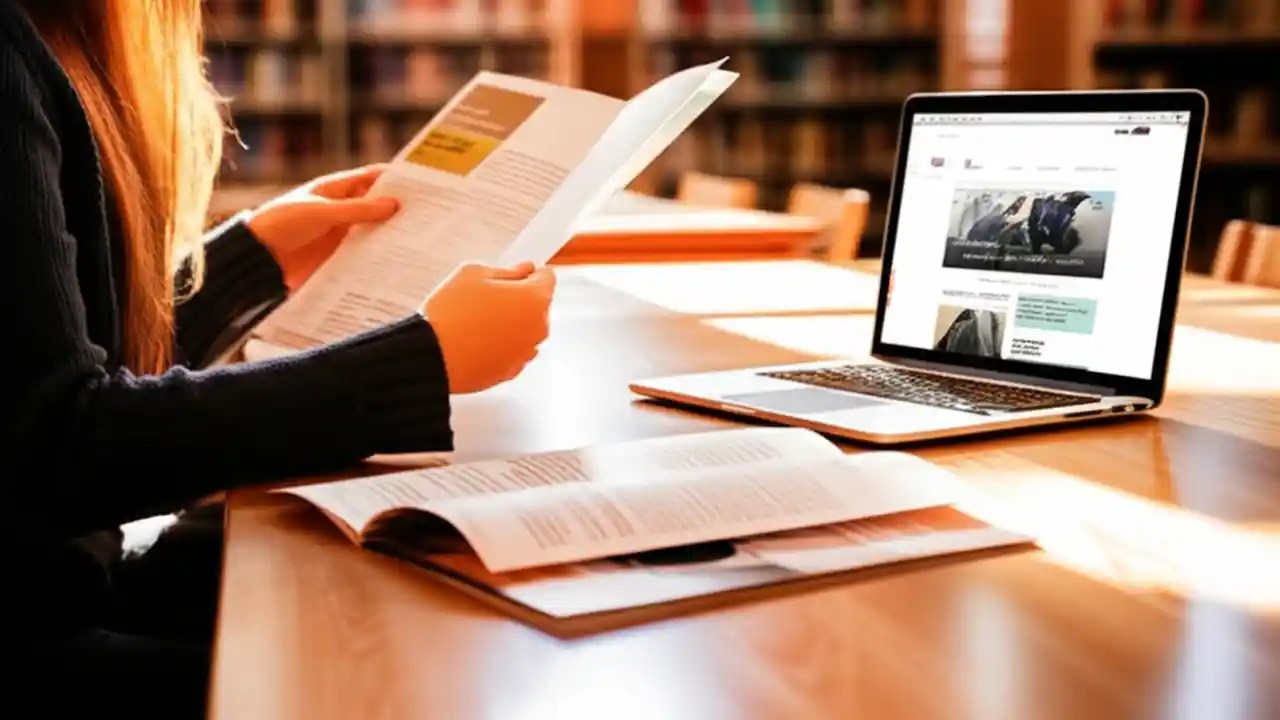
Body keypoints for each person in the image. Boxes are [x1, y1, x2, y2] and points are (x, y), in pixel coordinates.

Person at [0, 0, 556, 715]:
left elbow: (54, 371)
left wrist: (247, 258)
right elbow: (58, 449)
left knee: (395, 592)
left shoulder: (46, 40)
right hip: (38, 631)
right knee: (416, 668)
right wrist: (424, 361)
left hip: (57, 581)